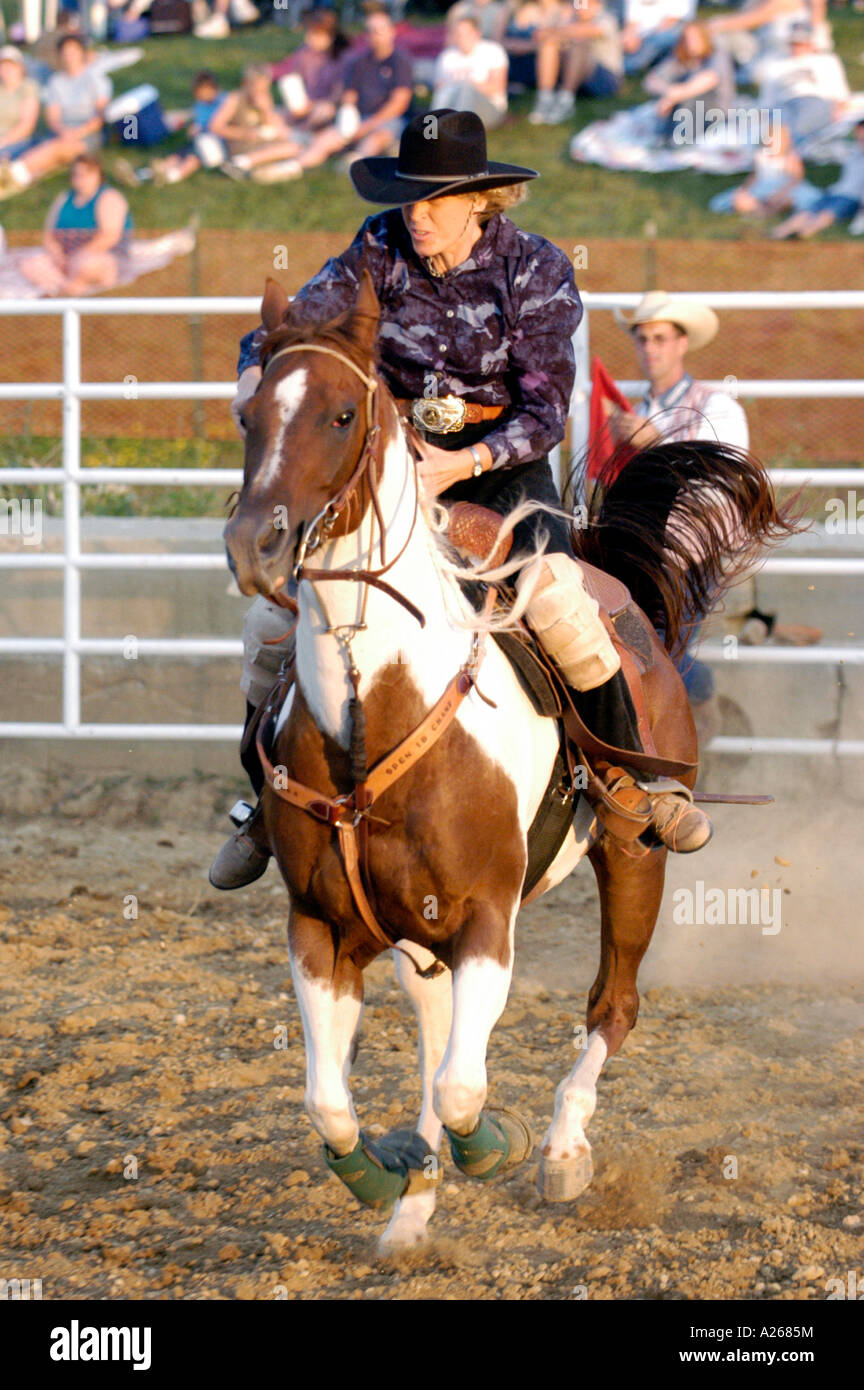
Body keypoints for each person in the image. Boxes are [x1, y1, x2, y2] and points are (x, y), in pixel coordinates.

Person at [209, 108, 713, 892]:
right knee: (275, 619)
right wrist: (257, 379)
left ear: (483, 200)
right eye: (412, 195)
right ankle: (263, 803)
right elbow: (285, 331)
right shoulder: (376, 247)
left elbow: (545, 411)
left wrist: (462, 461)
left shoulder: (538, 270)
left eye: (437, 198)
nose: (418, 212)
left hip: (500, 470)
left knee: (556, 598)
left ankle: (625, 779)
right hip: (392, 468)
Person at [607, 292, 749, 742]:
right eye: (643, 339)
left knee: (663, 652)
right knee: (644, 647)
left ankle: (691, 720)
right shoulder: (633, 412)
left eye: (661, 339)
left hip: (695, 551)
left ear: (681, 344)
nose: (651, 349)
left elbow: (726, 477)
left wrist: (656, 440)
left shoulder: (717, 406)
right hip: (640, 549)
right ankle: (680, 730)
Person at [229, 2, 413, 184]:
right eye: (370, 30)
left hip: (387, 120)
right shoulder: (360, 61)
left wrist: (365, 126)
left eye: (379, 30)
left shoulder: (399, 61)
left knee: (375, 137)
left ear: (391, 31)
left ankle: (357, 163)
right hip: (358, 116)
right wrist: (349, 113)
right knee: (326, 139)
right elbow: (350, 93)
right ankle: (292, 166)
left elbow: (398, 104)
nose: (374, 35)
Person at [1, 34, 112, 197]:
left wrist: (77, 133)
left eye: (73, 51)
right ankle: (20, 175)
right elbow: (53, 117)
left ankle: (14, 174)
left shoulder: (95, 78)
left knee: (55, 148)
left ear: (82, 52)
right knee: (49, 149)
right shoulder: (56, 82)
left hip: (87, 135)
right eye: (65, 53)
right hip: (61, 132)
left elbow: (100, 116)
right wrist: (63, 131)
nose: (70, 57)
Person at [19, 152, 132, 296]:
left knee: (87, 265)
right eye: (76, 174)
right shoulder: (64, 198)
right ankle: (66, 287)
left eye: (86, 174)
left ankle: (71, 286)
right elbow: (49, 235)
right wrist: (57, 254)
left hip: (99, 255)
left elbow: (110, 237)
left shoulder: (109, 198)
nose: (81, 179)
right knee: (30, 264)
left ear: (98, 174)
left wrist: (78, 255)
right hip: (66, 258)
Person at [114, 70, 227, 187]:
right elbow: (197, 119)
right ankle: (140, 175)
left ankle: (169, 177)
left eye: (200, 92)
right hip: (197, 141)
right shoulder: (200, 104)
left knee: (192, 161)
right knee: (174, 157)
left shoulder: (224, 102)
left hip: (213, 143)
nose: (197, 95)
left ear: (210, 88)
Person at [528, 0, 623, 126]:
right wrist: (560, 23)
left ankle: (565, 101)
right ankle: (545, 98)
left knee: (579, 43)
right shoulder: (570, 18)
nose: (580, 8)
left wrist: (553, 31)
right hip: (577, 74)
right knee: (549, 45)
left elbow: (589, 31)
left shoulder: (606, 18)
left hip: (605, 77)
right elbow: (540, 35)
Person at [770, 118, 864, 237]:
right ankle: (776, 234)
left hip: (851, 198)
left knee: (825, 216)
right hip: (835, 192)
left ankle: (801, 235)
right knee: (807, 212)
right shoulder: (852, 152)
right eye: (859, 131)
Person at [643, 21, 736, 140]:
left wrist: (673, 97)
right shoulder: (681, 58)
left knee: (693, 101)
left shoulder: (717, 56)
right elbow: (651, 81)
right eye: (687, 39)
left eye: (695, 39)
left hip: (714, 113)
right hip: (683, 112)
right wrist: (668, 91)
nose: (691, 43)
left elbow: (709, 79)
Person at [432, 15, 509, 129]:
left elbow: (497, 87)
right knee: (447, 91)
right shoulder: (447, 56)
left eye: (466, 33)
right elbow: (439, 88)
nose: (462, 38)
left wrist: (467, 84)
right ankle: (435, 128)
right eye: (458, 34)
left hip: (489, 108)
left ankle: (455, 131)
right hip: (453, 103)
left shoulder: (493, 51)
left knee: (466, 88)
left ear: (477, 33)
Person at [615, 0, 697, 76]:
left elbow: (671, 21)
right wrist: (630, 36)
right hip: (641, 35)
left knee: (655, 42)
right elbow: (632, 22)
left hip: (665, 33)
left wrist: (644, 38)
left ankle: (620, 68)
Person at [0, 45, 40, 164]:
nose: (6, 68)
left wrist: (3, 141)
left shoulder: (28, 87)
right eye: (3, 64)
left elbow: (27, 125)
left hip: (18, 142)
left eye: (11, 64)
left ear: (20, 67)